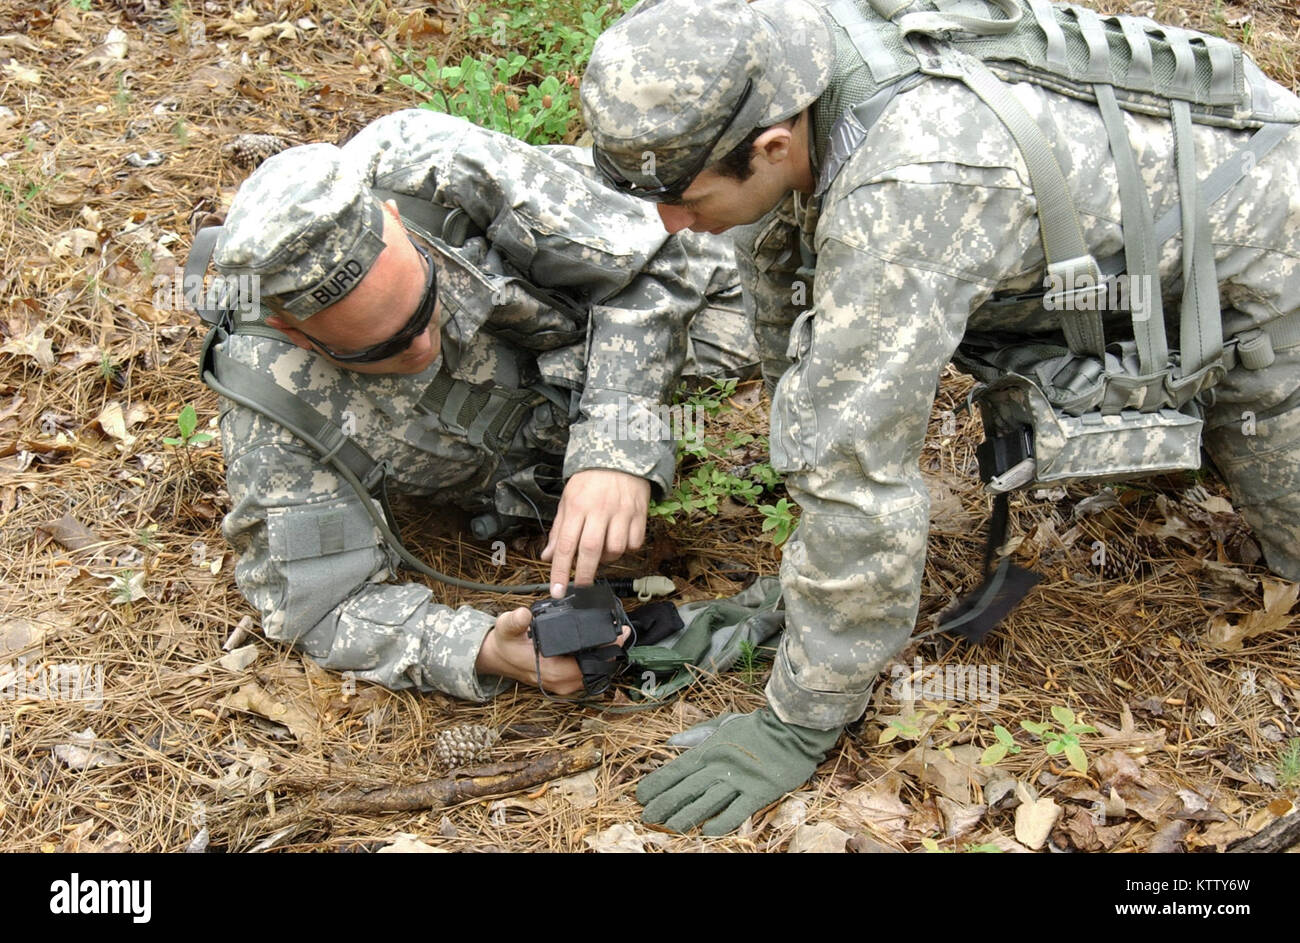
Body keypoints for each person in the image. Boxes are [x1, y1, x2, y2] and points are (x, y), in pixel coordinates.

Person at [576, 0, 1300, 834]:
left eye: (684, 198)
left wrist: (799, 716)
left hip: (1262, 228)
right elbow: (785, 275)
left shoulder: (911, 191)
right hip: (1124, 204)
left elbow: (857, 472)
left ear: (773, 146)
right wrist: (805, 501)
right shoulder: (786, 60)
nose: (668, 223)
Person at [194, 107, 757, 701]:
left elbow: (658, 258)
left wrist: (616, 444)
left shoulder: (431, 167)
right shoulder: (270, 395)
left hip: (620, 323)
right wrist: (483, 647)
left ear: (394, 222)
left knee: (763, 324)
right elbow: (320, 604)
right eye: (382, 346)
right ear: (296, 331)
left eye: (423, 305)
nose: (420, 346)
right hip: (512, 462)